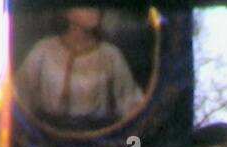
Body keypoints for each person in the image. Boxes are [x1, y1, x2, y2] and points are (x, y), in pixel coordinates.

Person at [15, 7, 144, 126]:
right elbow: (19, 94)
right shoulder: (44, 50)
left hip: (95, 140)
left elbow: (130, 102)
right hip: (47, 140)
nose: (95, 10)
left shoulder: (110, 55)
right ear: (68, 11)